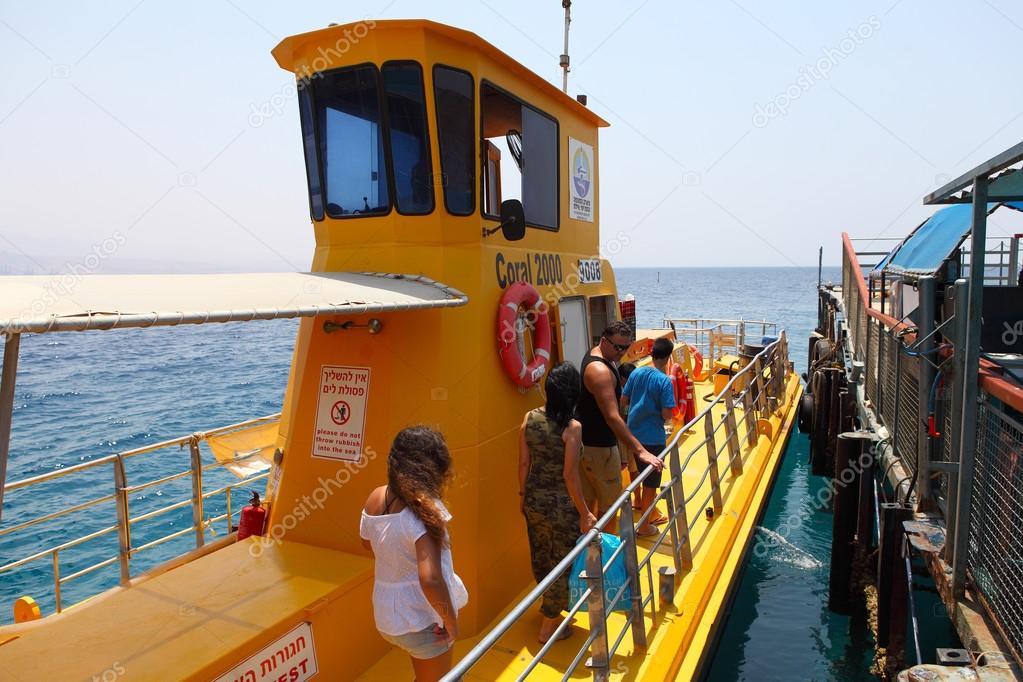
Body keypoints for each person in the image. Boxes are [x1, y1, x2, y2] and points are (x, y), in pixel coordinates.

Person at [359, 426, 468, 682]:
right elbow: (430, 579)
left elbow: (367, 542)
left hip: (388, 615)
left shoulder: (377, 497)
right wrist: (450, 622)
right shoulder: (426, 511)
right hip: (422, 620)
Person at [518, 362, 597, 643]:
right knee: (562, 562)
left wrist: (523, 496)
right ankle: (548, 626)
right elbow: (569, 474)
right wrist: (585, 513)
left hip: (534, 500)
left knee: (541, 556)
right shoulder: (572, 428)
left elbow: (524, 462)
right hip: (560, 507)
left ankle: (549, 608)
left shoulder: (529, 418)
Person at [577, 321, 664, 522]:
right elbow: (612, 416)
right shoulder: (600, 371)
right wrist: (641, 451)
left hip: (588, 446)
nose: (621, 352)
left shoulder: (596, 355)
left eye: (626, 347)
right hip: (600, 450)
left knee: (589, 506)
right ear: (604, 341)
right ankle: (605, 552)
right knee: (610, 509)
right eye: (617, 347)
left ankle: (590, 551)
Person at [621, 338, 676, 536]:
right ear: (668, 357)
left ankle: (637, 506)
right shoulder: (664, 381)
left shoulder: (636, 372)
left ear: (652, 354)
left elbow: (624, 400)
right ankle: (644, 526)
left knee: (636, 473)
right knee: (651, 483)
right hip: (653, 439)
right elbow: (667, 414)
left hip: (632, 434)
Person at [617, 362, 642, 511]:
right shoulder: (636, 391)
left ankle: (637, 499)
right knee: (632, 468)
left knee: (631, 468)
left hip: (626, 435)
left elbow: (622, 415)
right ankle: (637, 498)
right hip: (632, 434)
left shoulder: (624, 393)